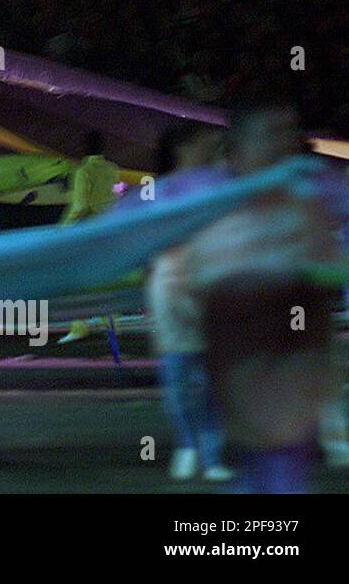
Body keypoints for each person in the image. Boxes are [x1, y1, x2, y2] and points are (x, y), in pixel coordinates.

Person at [187, 105, 346, 493]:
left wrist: (309, 273)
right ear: (237, 152)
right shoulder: (209, 204)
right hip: (242, 351)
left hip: (297, 351)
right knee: (268, 460)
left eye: (289, 132)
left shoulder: (312, 195)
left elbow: (332, 264)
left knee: (281, 458)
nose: (283, 143)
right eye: (270, 133)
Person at [142, 126, 232, 482]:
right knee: (178, 373)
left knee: (211, 377)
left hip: (211, 285)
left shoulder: (220, 185)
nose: (211, 151)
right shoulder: (160, 191)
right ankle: (188, 445)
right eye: (204, 146)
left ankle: (211, 455)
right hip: (172, 286)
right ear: (183, 149)